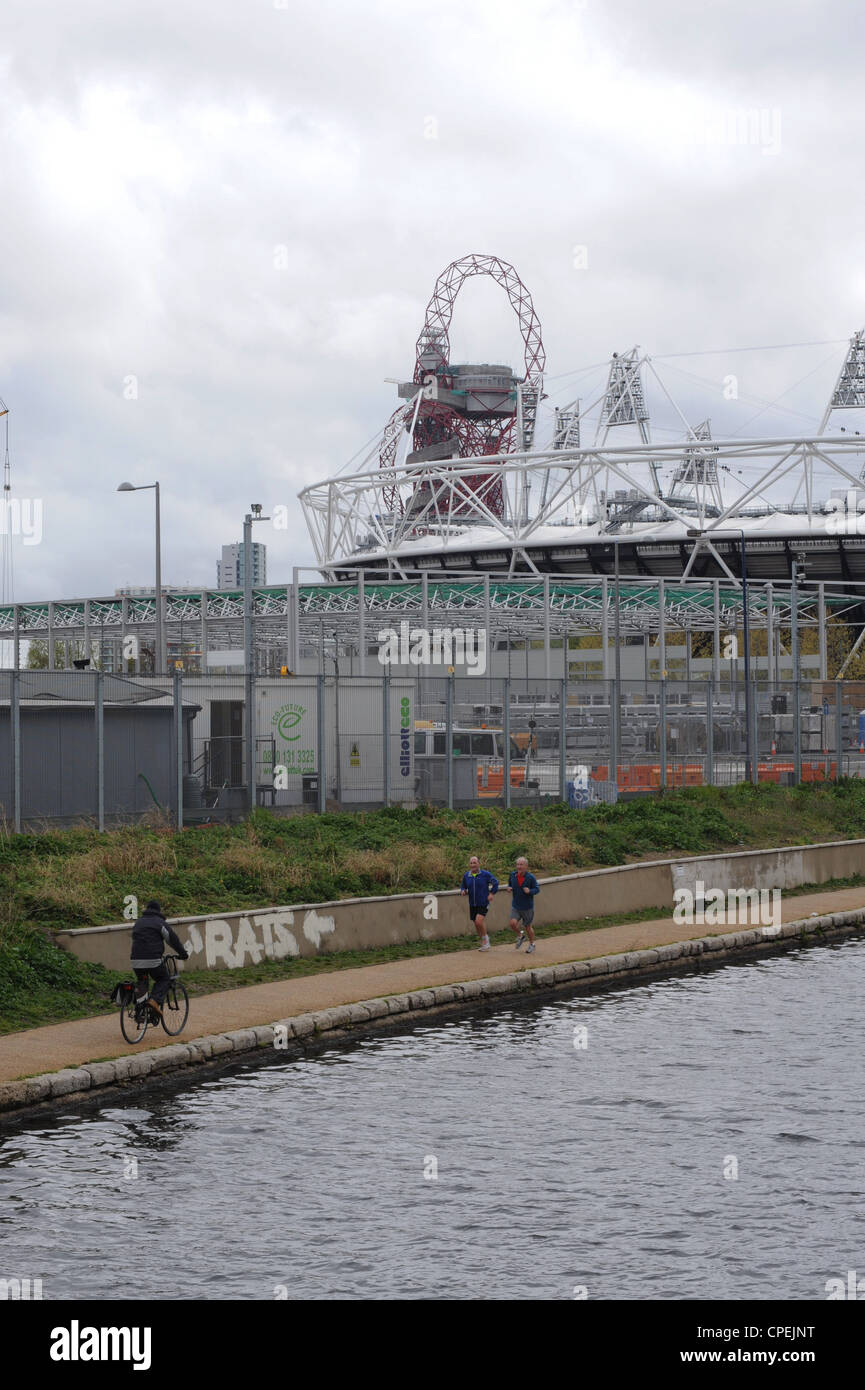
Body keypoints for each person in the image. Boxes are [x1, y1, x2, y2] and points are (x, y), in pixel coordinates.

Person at [130, 900, 189, 1022]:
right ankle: (154, 1001)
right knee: (163, 979)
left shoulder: (138, 923)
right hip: (152, 959)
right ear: (158, 911)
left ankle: (139, 1012)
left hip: (135, 960)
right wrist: (183, 954)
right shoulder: (160, 923)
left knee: (142, 982)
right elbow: (172, 940)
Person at [460, 855, 499, 951]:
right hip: (472, 903)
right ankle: (484, 941)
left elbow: (496, 883)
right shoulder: (467, 875)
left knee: (479, 921)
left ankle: (486, 940)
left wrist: (492, 893)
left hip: (483, 902)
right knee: (476, 923)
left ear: (478, 864)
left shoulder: (485, 874)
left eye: (474, 862)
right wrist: (463, 891)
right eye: (471, 863)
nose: (473, 865)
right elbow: (463, 886)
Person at [508, 857, 540, 953]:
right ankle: (520, 936)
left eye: (521, 865)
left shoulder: (530, 877)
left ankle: (532, 944)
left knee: (528, 927)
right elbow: (510, 884)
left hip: (527, 907)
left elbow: (537, 889)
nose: (519, 867)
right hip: (516, 906)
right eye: (518, 864)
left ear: (526, 866)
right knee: (512, 923)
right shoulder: (513, 875)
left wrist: (530, 891)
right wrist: (509, 888)